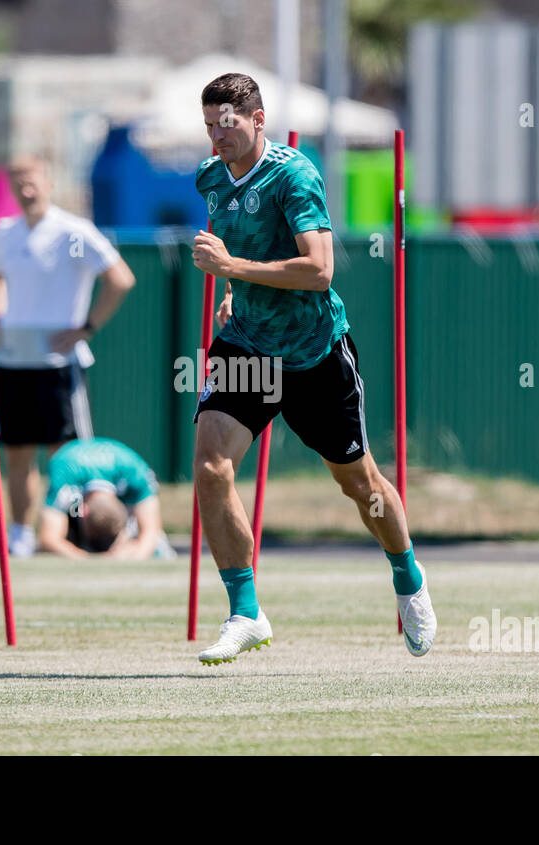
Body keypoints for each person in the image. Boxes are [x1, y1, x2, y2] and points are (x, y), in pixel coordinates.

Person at [188, 72, 437, 665]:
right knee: (211, 463)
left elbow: (319, 268)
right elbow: (233, 244)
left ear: (257, 120)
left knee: (360, 486)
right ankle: (245, 611)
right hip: (247, 346)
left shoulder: (294, 174)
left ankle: (408, 577)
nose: (217, 138)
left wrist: (235, 269)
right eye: (209, 128)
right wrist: (233, 292)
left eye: (227, 125)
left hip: (313, 354)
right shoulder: (209, 177)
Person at [0, 154, 137, 559]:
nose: (24, 187)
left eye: (30, 179)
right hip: (13, 360)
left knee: (67, 457)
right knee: (16, 452)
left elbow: (121, 279)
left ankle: (71, 533)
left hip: (58, 364)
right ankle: (19, 535)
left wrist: (86, 328)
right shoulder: (6, 233)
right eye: (16, 180)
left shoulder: (74, 230)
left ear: (48, 182)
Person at [38, 437, 172, 559]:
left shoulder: (135, 472)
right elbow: (48, 538)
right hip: (76, 519)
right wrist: (86, 558)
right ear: (83, 512)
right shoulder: (65, 471)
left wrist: (130, 553)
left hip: (124, 525)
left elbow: (151, 533)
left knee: (159, 548)